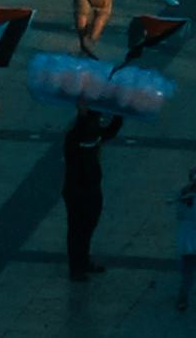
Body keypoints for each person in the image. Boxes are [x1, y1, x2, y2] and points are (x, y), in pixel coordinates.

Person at [64, 105, 124, 275]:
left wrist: (119, 114)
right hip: (76, 191)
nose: (97, 124)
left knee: (88, 227)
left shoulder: (94, 135)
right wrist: (82, 115)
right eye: (95, 121)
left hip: (92, 188)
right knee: (77, 230)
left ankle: (83, 261)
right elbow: (81, 129)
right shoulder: (74, 139)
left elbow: (110, 132)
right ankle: (77, 268)